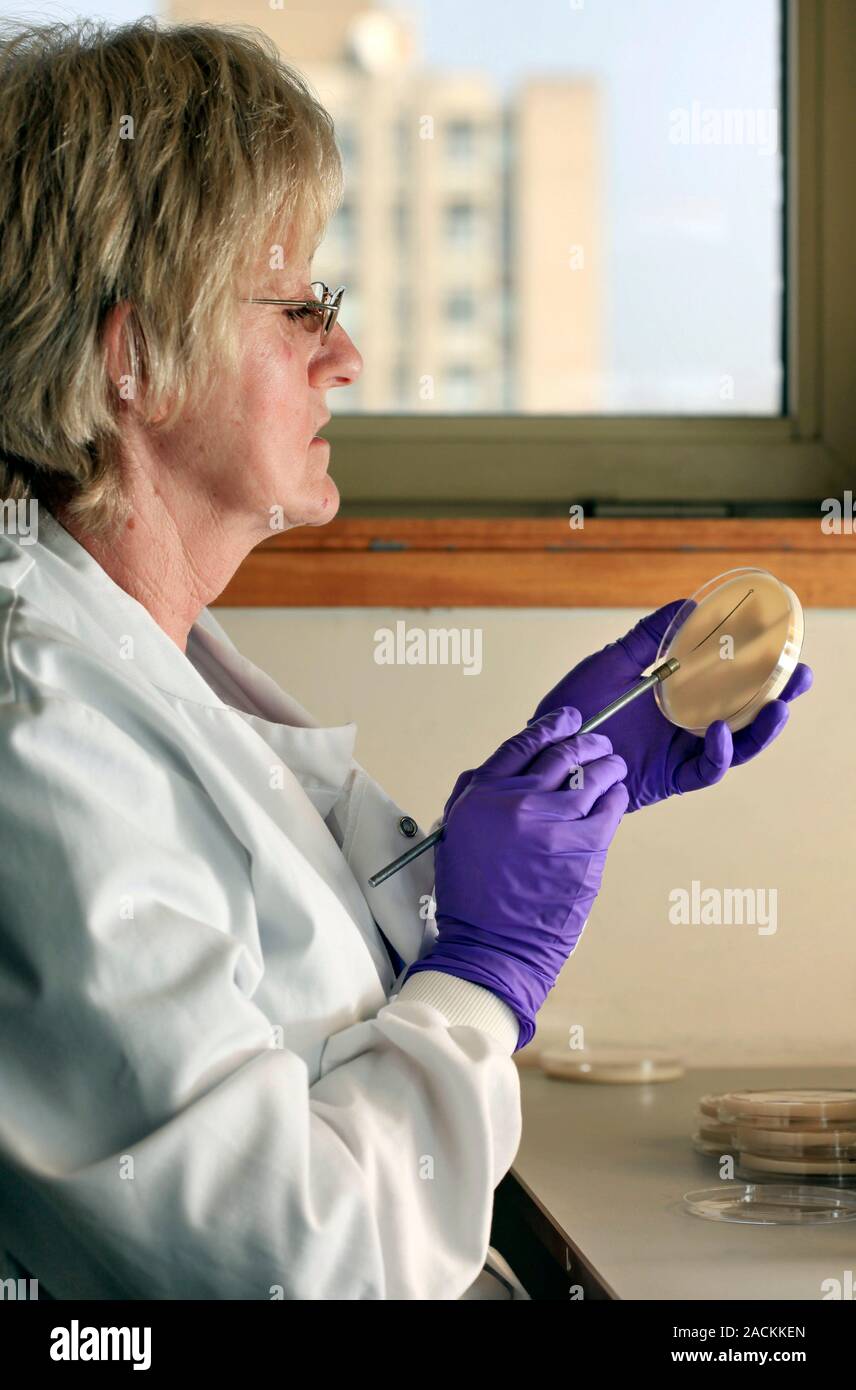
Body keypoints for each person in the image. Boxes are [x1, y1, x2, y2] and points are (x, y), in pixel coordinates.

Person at [0, 18, 810, 1302]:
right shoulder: (36, 741)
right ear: (134, 356)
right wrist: (486, 970)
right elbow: (299, 1265)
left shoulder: (148, 657)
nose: (348, 354)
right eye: (300, 306)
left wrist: (494, 843)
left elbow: (285, 994)